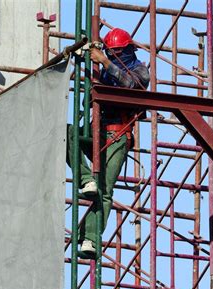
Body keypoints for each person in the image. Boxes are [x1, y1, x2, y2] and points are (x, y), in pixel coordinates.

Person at [66, 28, 150, 256]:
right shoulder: (101, 69)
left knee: (103, 190)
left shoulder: (140, 69)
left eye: (117, 53)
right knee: (68, 133)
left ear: (128, 50)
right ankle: (85, 178)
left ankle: (90, 239)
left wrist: (104, 60)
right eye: (110, 54)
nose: (114, 57)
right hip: (98, 130)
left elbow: (132, 85)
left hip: (118, 135)